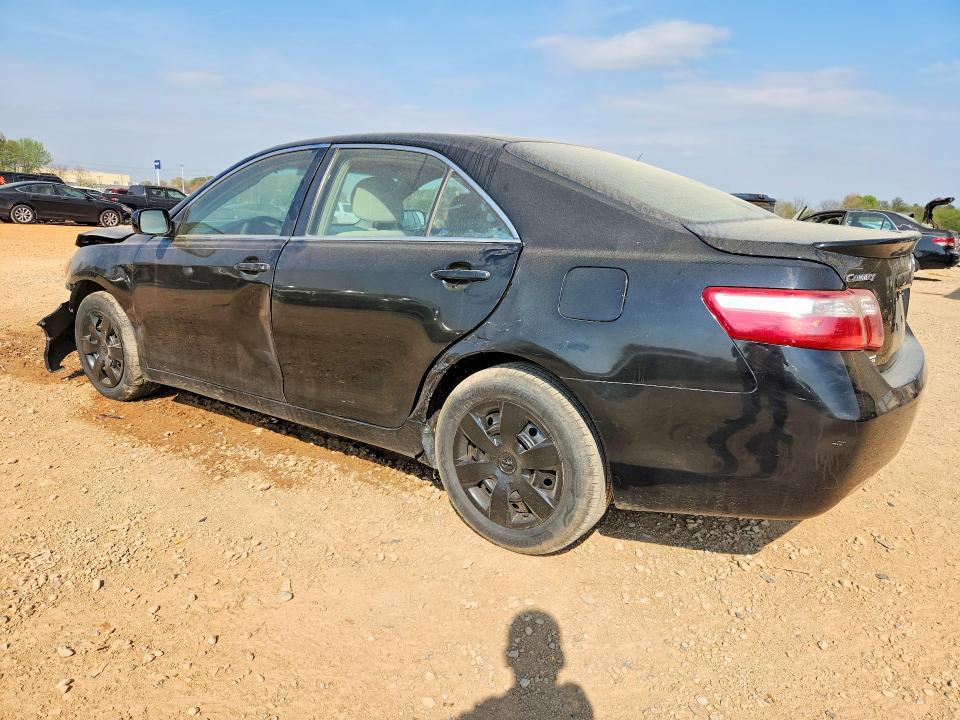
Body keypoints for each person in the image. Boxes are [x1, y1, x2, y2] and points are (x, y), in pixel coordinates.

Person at [457, 610, 592, 720]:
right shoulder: (573, 705)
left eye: (543, 655)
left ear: (508, 657)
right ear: (560, 659)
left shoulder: (489, 713)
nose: (537, 666)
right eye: (529, 653)